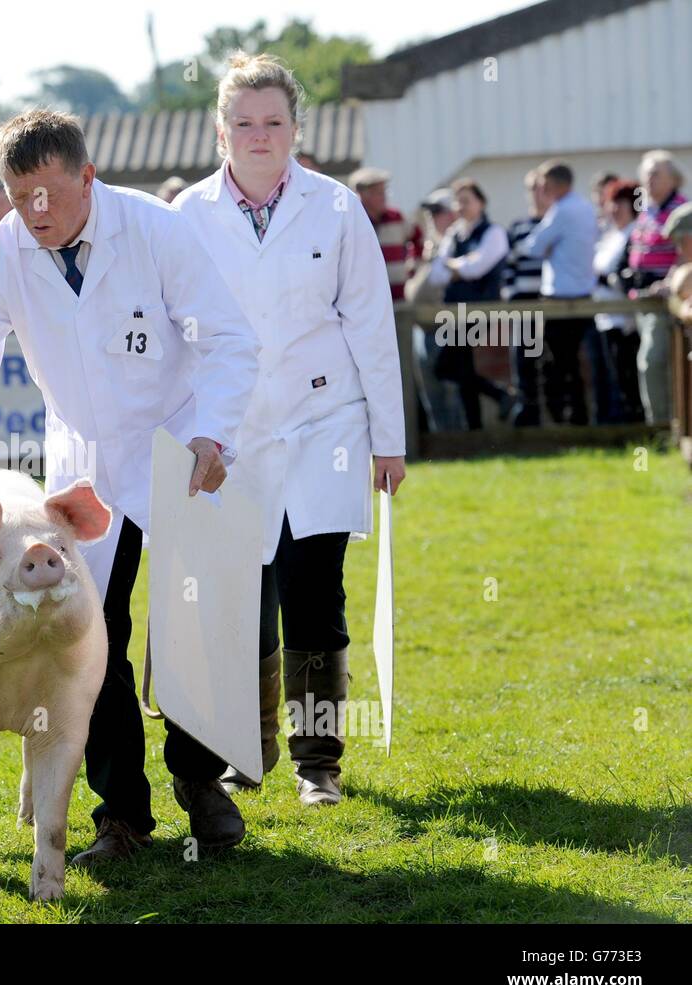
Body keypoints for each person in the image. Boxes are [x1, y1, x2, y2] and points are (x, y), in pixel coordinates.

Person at [0, 108, 260, 863]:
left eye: (50, 192)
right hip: (84, 458)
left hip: (181, 444)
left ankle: (198, 781)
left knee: (193, 628)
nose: (37, 213)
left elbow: (228, 337)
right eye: (20, 198)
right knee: (89, 634)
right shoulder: (0, 258)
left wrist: (214, 431)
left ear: (88, 177)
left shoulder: (155, 230)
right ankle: (121, 816)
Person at [174, 52, 405, 807]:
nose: (260, 135)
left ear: (296, 127)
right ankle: (249, 750)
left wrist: (387, 438)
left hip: (322, 425)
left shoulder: (336, 207)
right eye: (244, 122)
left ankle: (318, 763)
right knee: (243, 594)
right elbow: (177, 331)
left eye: (274, 121)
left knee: (314, 591)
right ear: (221, 132)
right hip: (232, 435)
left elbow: (371, 322)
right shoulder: (187, 216)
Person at [427, 178, 517, 429]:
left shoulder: (493, 232)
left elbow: (477, 269)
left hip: (480, 309)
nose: (461, 206)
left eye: (467, 200)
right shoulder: (455, 234)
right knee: (458, 367)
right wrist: (462, 266)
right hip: (455, 311)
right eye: (458, 201)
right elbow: (437, 275)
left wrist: (455, 266)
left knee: (448, 366)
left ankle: (497, 400)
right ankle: (479, 421)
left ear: (481, 202)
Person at [517, 161, 598, 425]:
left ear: (554, 185)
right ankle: (579, 416)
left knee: (558, 364)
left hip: (560, 298)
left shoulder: (561, 211)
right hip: (585, 295)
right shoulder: (586, 207)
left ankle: (567, 421)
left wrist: (550, 247)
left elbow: (532, 247)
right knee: (575, 362)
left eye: (544, 185)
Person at [626, 150, 687, 423]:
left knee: (653, 362)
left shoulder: (681, 212)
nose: (648, 179)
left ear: (673, 178)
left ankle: (663, 426)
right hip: (643, 298)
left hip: (668, 298)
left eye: (655, 173)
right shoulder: (648, 210)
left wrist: (668, 282)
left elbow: (686, 253)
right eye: (645, 173)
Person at [406, 190, 463, 431]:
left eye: (437, 211)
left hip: (447, 326)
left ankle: (458, 442)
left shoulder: (458, 242)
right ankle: (443, 442)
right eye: (430, 212)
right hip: (423, 326)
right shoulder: (427, 244)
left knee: (451, 388)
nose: (432, 217)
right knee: (431, 393)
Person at [593, 180, 642, 422]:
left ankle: (636, 426)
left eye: (620, 203)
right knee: (613, 377)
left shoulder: (636, 232)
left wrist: (607, 279)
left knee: (629, 375)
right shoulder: (611, 235)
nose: (614, 209)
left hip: (627, 319)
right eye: (612, 203)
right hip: (606, 316)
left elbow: (625, 277)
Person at [502, 169, 548, 425]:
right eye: (533, 189)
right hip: (523, 301)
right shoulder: (519, 227)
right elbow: (508, 267)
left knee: (548, 358)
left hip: (549, 301)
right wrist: (510, 295)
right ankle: (529, 413)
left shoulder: (556, 223)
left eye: (542, 189)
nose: (538, 195)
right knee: (523, 357)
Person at [350, 166, 423, 302]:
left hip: (400, 296)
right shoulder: (352, 221)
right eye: (378, 192)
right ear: (363, 194)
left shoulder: (397, 217)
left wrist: (414, 267)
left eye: (385, 191)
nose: (384, 197)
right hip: (367, 300)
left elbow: (418, 238)